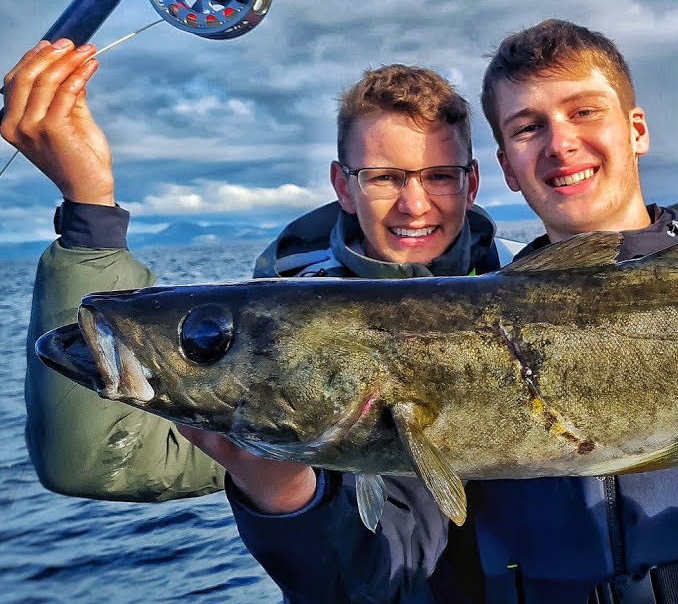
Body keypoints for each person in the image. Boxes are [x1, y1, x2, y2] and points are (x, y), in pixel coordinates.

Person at [226, 20, 678, 603]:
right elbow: (380, 578)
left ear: (637, 129)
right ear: (503, 166)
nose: (561, 144)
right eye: (528, 127)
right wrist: (282, 493)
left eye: (583, 112)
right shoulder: (456, 338)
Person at [1, 41, 508, 508]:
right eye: (382, 178)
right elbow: (105, 462)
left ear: (472, 182)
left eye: (441, 175)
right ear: (344, 185)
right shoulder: (273, 336)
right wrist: (90, 211)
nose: (414, 205)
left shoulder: (528, 270)